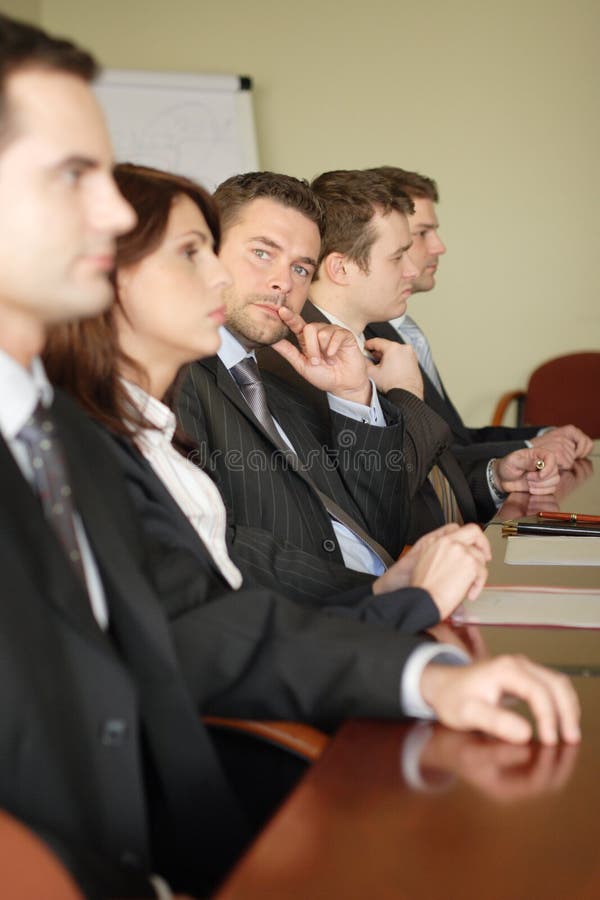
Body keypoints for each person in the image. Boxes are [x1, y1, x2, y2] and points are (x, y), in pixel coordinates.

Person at [0, 13, 581, 898]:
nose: (112, 215)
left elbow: (192, 621)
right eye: (75, 174)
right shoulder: (129, 410)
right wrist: (394, 602)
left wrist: (422, 671)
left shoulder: (62, 432)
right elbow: (246, 559)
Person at [45, 161, 490, 634]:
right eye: (262, 253)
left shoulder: (282, 378)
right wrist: (381, 596)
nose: (284, 283)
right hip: (329, 626)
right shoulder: (170, 381)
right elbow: (221, 553)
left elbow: (376, 526)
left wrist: (354, 397)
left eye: (301, 268)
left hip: (365, 616)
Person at [283, 168, 560, 537]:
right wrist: (407, 395)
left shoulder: (373, 338)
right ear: (341, 267)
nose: (412, 270)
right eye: (398, 257)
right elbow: (380, 501)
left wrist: (495, 477)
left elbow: (430, 483)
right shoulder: (302, 363)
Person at [364, 166, 593, 468]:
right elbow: (424, 461)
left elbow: (456, 437)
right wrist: (527, 448)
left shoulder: (405, 329)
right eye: (422, 233)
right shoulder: (367, 339)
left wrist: (542, 435)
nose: (439, 247)